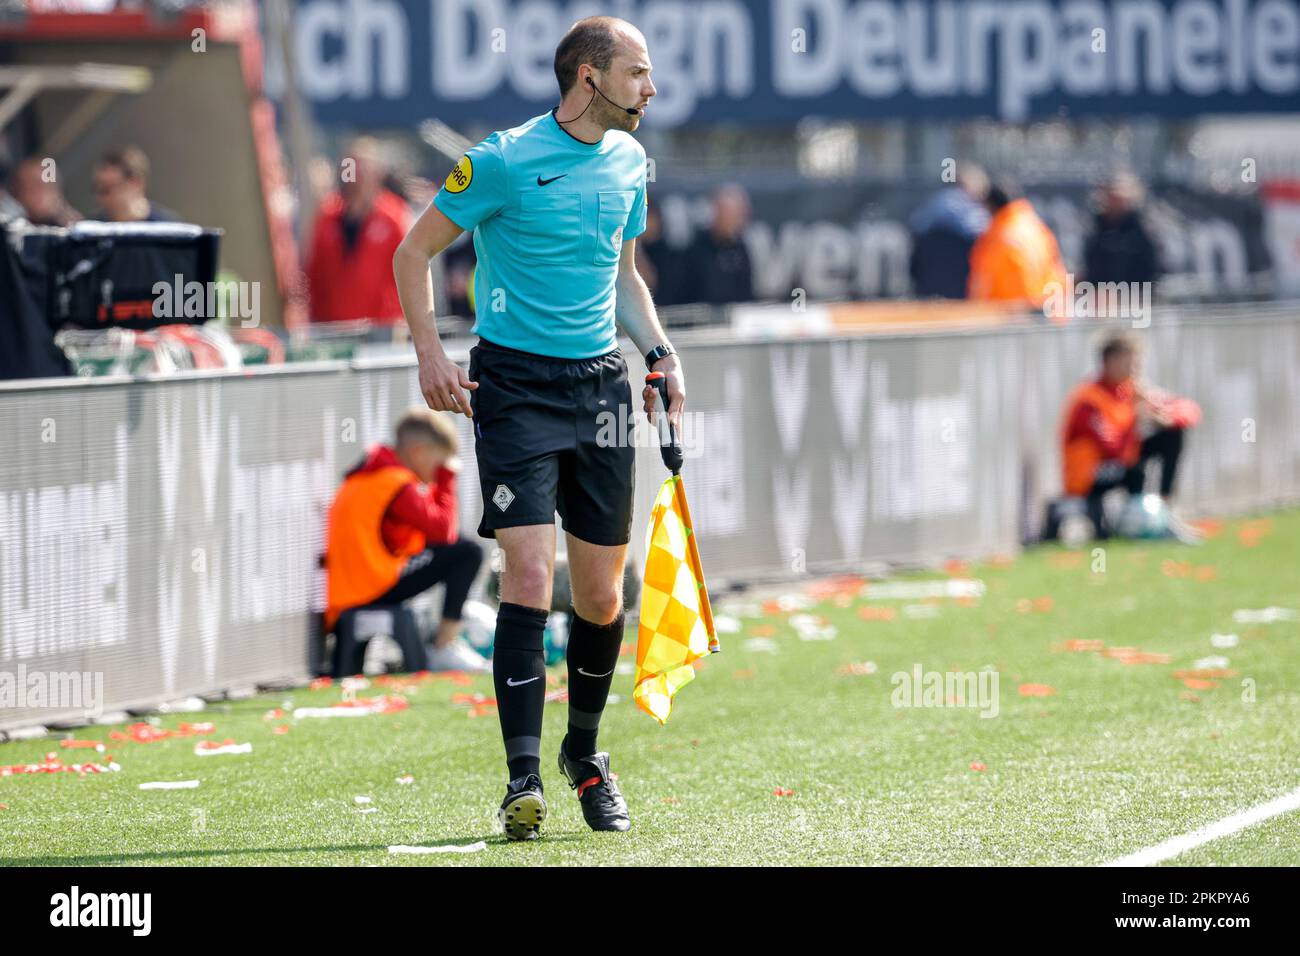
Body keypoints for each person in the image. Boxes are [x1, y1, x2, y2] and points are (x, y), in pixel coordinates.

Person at [393, 15, 681, 840]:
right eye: (637, 73)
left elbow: (625, 277)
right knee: (525, 572)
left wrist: (660, 354)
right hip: (513, 385)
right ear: (587, 78)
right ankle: (523, 777)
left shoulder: (631, 160)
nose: (650, 89)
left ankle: (583, 757)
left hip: (600, 389)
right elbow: (412, 254)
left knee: (599, 594)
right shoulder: (501, 161)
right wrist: (430, 355)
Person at [324, 407, 486, 673]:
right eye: (439, 462)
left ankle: (443, 641)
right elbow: (444, 531)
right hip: (371, 587)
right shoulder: (395, 482)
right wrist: (447, 479)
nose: (439, 471)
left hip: (353, 587)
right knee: (467, 552)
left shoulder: (374, 472)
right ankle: (443, 646)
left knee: (457, 550)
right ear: (418, 452)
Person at [1058, 331, 1199, 539]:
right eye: (1130, 363)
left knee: (1172, 436)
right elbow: (1112, 449)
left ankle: (1165, 509)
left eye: (1137, 364)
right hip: (1088, 475)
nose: (1135, 370)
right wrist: (1138, 415)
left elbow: (1189, 411)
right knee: (1135, 470)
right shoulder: (1088, 400)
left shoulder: (1131, 390)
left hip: (1121, 459)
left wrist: (1162, 415)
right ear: (1109, 362)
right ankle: (1138, 523)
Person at [306, 137, 411, 325]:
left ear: (378, 172)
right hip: (334, 327)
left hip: (381, 328)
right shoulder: (328, 216)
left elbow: (409, 272)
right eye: (352, 165)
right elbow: (315, 276)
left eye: (365, 166)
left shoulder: (393, 216)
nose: (358, 172)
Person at [967, 179, 1067, 315]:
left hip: (1010, 318)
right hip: (1044, 314)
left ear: (991, 206)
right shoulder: (1036, 228)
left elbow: (984, 284)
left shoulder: (999, 237)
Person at [908, 162, 989, 298]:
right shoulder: (979, 220)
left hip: (929, 291)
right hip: (964, 291)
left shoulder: (927, 213)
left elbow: (914, 264)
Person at [1084, 171, 1160, 302]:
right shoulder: (1097, 227)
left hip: (1134, 300)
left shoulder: (1142, 230)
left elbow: (1150, 270)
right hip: (1100, 302)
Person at [681, 183, 754, 305]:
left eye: (738, 214)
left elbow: (746, 292)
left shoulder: (741, 247)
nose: (736, 220)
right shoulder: (697, 249)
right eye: (728, 213)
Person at [91, 146, 178, 222]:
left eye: (108, 188)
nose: (103, 196)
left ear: (136, 183)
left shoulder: (167, 228)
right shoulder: (92, 231)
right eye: (98, 188)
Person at [10, 157, 81, 227]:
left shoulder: (75, 228)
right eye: (27, 188)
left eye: (39, 186)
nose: (35, 194)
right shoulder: (16, 227)